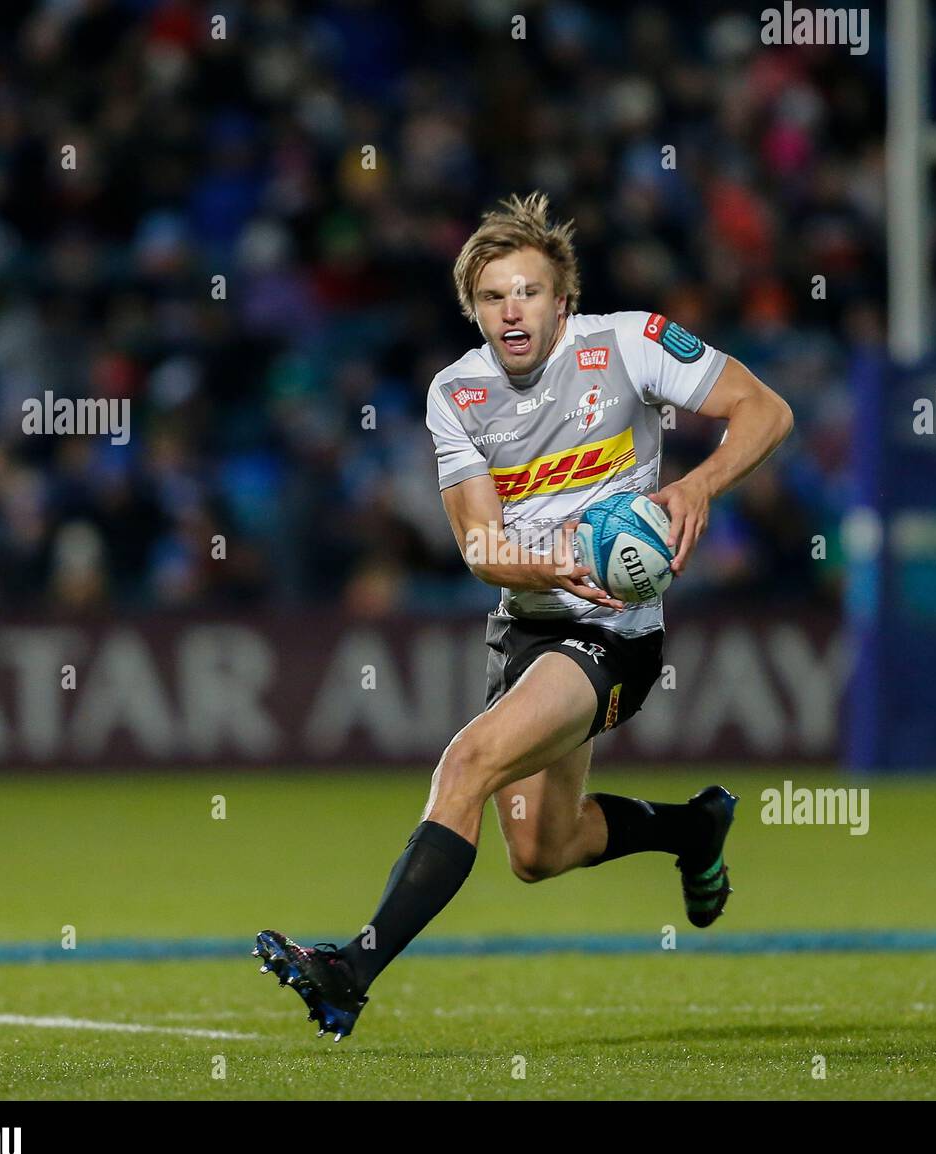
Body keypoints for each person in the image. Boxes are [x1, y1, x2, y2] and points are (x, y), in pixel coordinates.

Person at [255, 192, 794, 1039]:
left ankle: (350, 969)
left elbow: (766, 410)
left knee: (466, 763)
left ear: (562, 300)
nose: (514, 309)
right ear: (474, 310)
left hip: (616, 634)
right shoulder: (456, 395)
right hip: (530, 625)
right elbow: (477, 545)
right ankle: (695, 829)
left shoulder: (630, 344)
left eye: (530, 291)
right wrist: (562, 562)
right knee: (543, 852)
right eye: (494, 296)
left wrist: (696, 485)